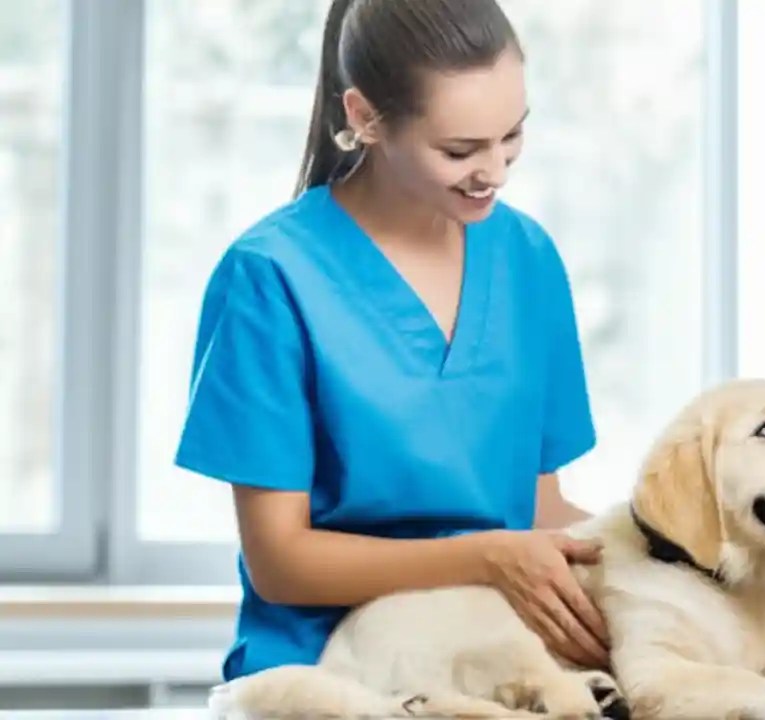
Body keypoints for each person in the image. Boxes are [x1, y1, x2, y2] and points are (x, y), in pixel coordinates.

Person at [174, 0, 611, 683]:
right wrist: (484, 557)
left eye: (512, 138)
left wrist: (680, 554)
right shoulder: (270, 277)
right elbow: (280, 562)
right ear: (364, 117)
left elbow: (538, 507)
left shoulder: (527, 258)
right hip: (325, 675)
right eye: (459, 150)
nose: (493, 171)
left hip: (492, 663)